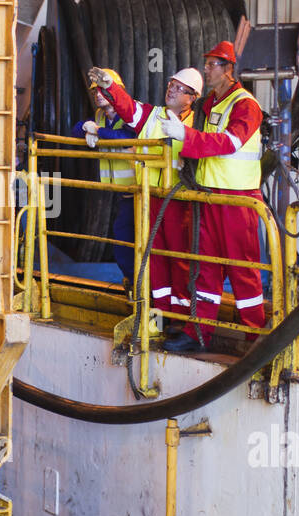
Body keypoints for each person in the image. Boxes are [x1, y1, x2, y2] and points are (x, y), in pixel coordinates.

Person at [152, 40, 266, 352]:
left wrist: (185, 136)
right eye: (207, 63)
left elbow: (230, 143)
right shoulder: (211, 104)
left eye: (213, 64)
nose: (207, 69)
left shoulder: (246, 105)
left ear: (230, 71)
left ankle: (255, 335)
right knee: (205, 268)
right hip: (209, 198)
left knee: (243, 270)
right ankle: (198, 331)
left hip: (237, 201)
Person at [87, 65, 203, 328]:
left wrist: (188, 139)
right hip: (151, 199)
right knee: (156, 261)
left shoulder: (197, 123)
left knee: (180, 261)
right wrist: (109, 87)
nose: (171, 90)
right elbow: (127, 107)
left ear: (191, 97)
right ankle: (159, 319)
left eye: (179, 88)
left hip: (180, 202)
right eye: (170, 85)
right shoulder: (151, 115)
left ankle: (181, 321)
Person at [70, 80, 136, 283]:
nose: (98, 94)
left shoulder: (131, 113)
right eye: (95, 90)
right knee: (124, 240)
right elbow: (75, 130)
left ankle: (141, 286)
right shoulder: (101, 116)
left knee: (130, 239)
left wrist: (98, 132)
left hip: (142, 189)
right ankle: (134, 284)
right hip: (123, 192)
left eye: (103, 90)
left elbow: (127, 136)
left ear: (118, 91)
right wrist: (87, 128)